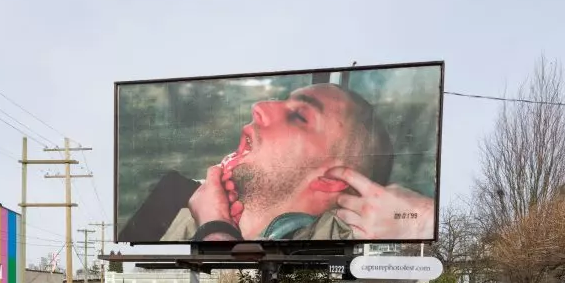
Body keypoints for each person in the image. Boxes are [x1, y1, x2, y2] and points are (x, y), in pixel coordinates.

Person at [128, 83, 435, 242]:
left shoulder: (335, 240)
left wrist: (419, 216)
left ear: (332, 179)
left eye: (299, 116)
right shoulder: (170, 198)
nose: (259, 107)